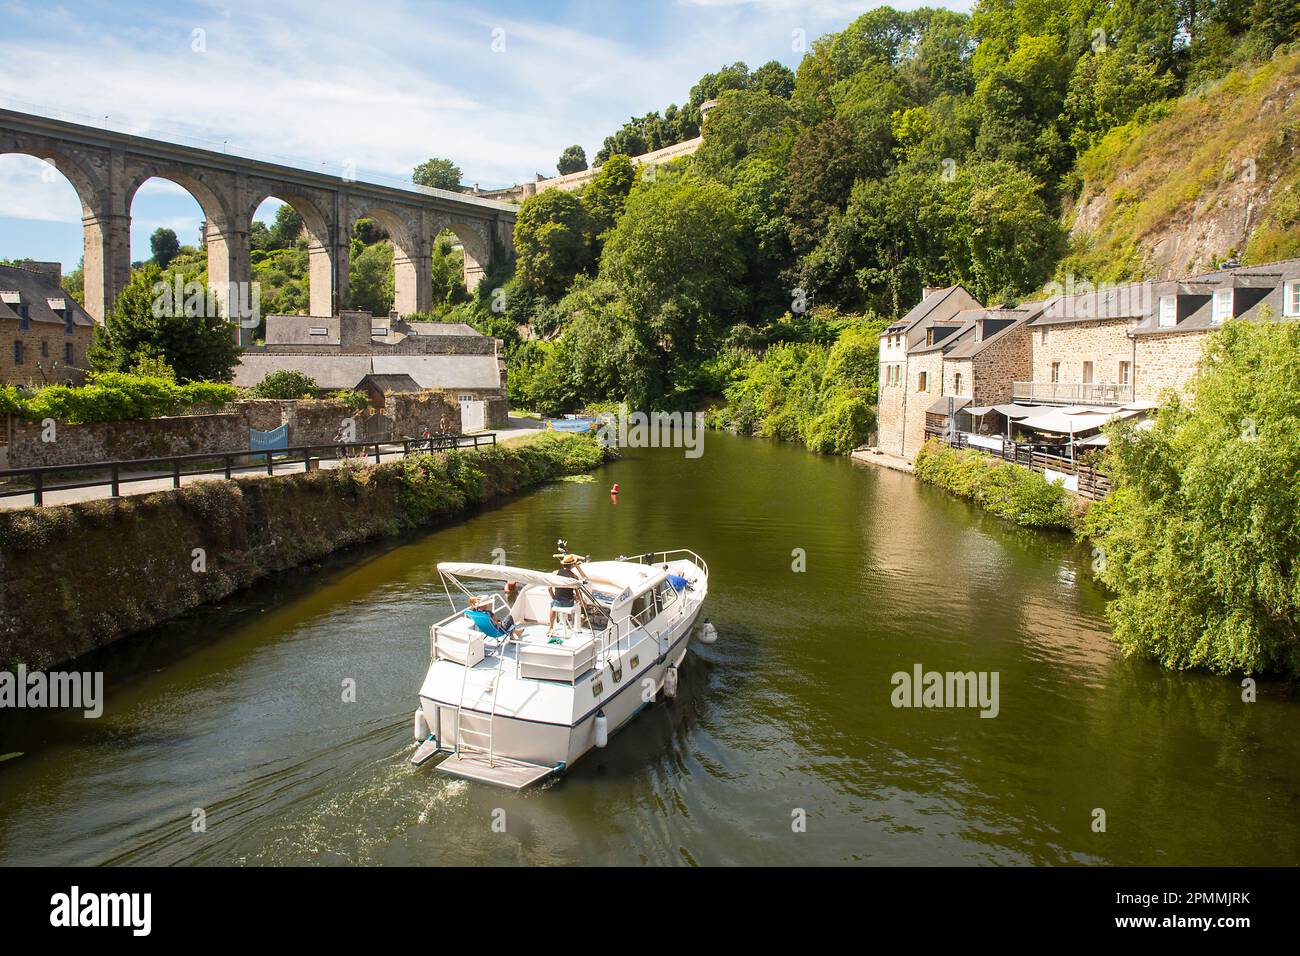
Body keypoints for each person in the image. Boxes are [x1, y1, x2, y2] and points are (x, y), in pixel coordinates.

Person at [547, 554, 586, 636]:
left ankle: (551, 627)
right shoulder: (574, 577)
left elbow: (549, 589)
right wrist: (581, 601)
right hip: (568, 604)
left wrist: (554, 598)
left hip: (557, 603)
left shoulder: (556, 573)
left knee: (552, 605)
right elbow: (578, 592)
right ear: (572, 565)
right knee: (578, 604)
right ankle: (577, 628)